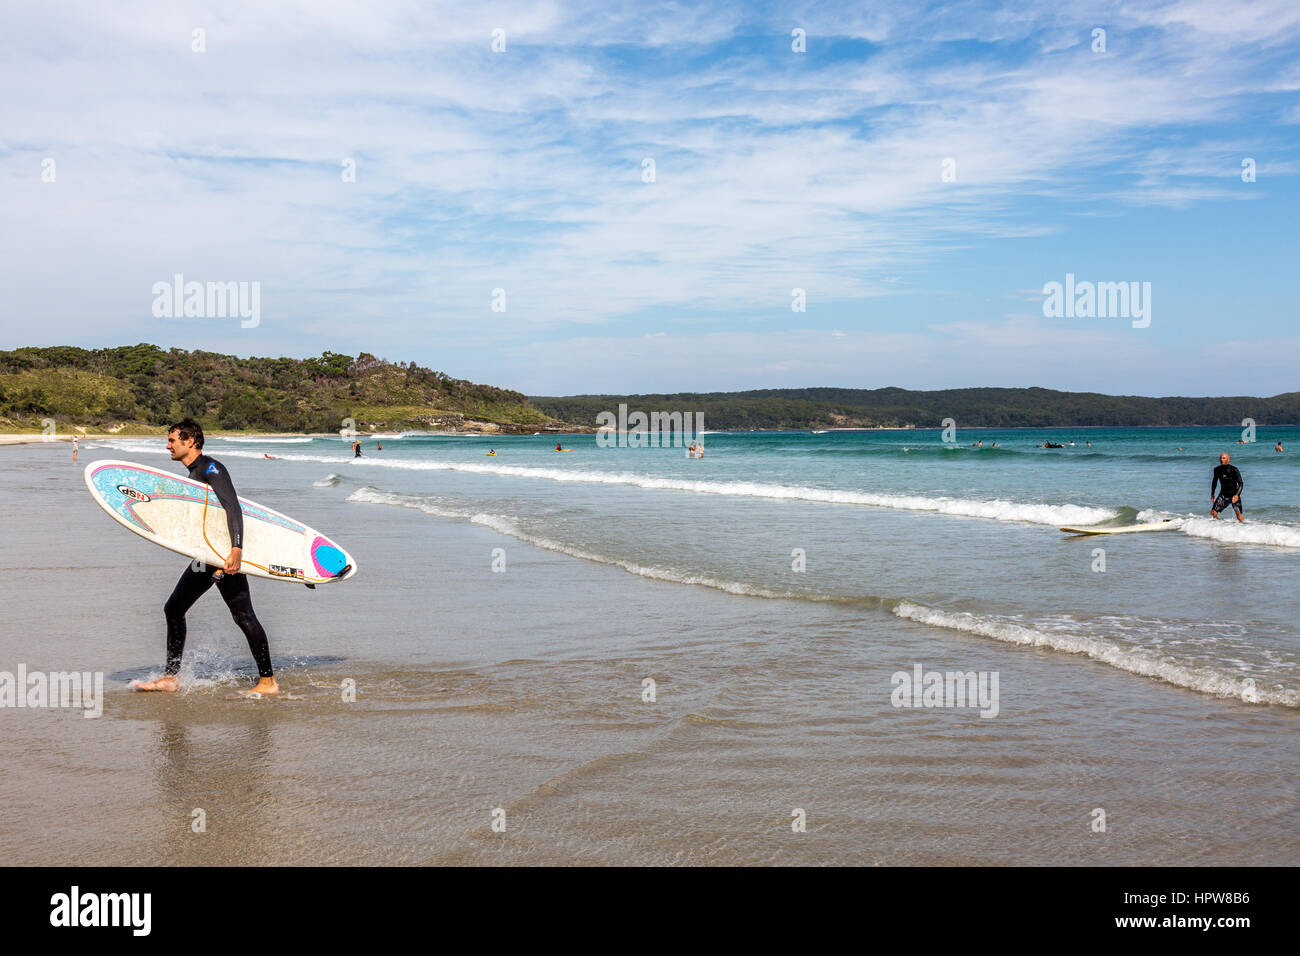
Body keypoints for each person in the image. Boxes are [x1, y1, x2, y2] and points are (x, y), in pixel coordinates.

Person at [134, 419, 278, 695]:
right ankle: (170, 678)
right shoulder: (193, 473)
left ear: (190, 441)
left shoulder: (212, 468)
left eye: (172, 440)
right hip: (207, 556)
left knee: (243, 615)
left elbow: (233, 507)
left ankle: (268, 681)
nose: (168, 446)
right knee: (175, 608)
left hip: (224, 557)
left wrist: (236, 550)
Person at [1210, 452, 1245, 523]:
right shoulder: (1217, 469)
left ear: (1228, 460)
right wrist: (1212, 494)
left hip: (1234, 494)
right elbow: (1214, 482)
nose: (1221, 459)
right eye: (1220, 458)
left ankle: (1245, 527)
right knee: (1213, 512)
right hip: (1223, 495)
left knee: (1238, 515)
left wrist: (1237, 495)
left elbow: (1241, 483)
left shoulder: (1234, 469)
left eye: (1223, 458)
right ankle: (1218, 526)